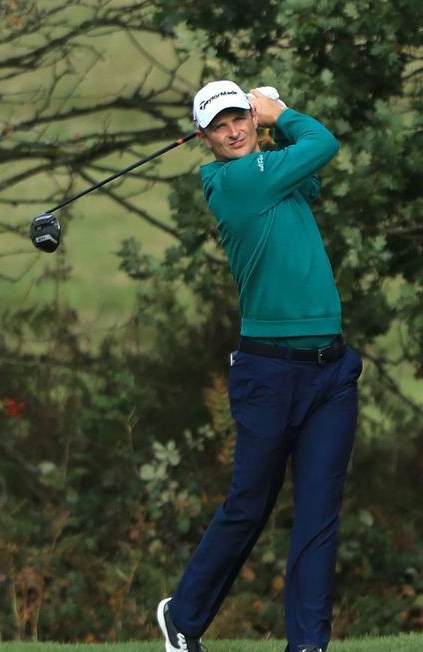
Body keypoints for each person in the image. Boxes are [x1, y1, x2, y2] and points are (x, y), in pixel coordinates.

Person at [156, 80, 361, 652]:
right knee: (250, 504)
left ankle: (308, 645)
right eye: (220, 126)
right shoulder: (236, 183)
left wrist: (270, 124)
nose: (235, 130)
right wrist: (281, 113)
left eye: (241, 118)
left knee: (319, 514)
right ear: (204, 139)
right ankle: (184, 614)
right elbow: (323, 144)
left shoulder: (270, 171)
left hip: (331, 371)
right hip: (269, 373)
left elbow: (311, 179)